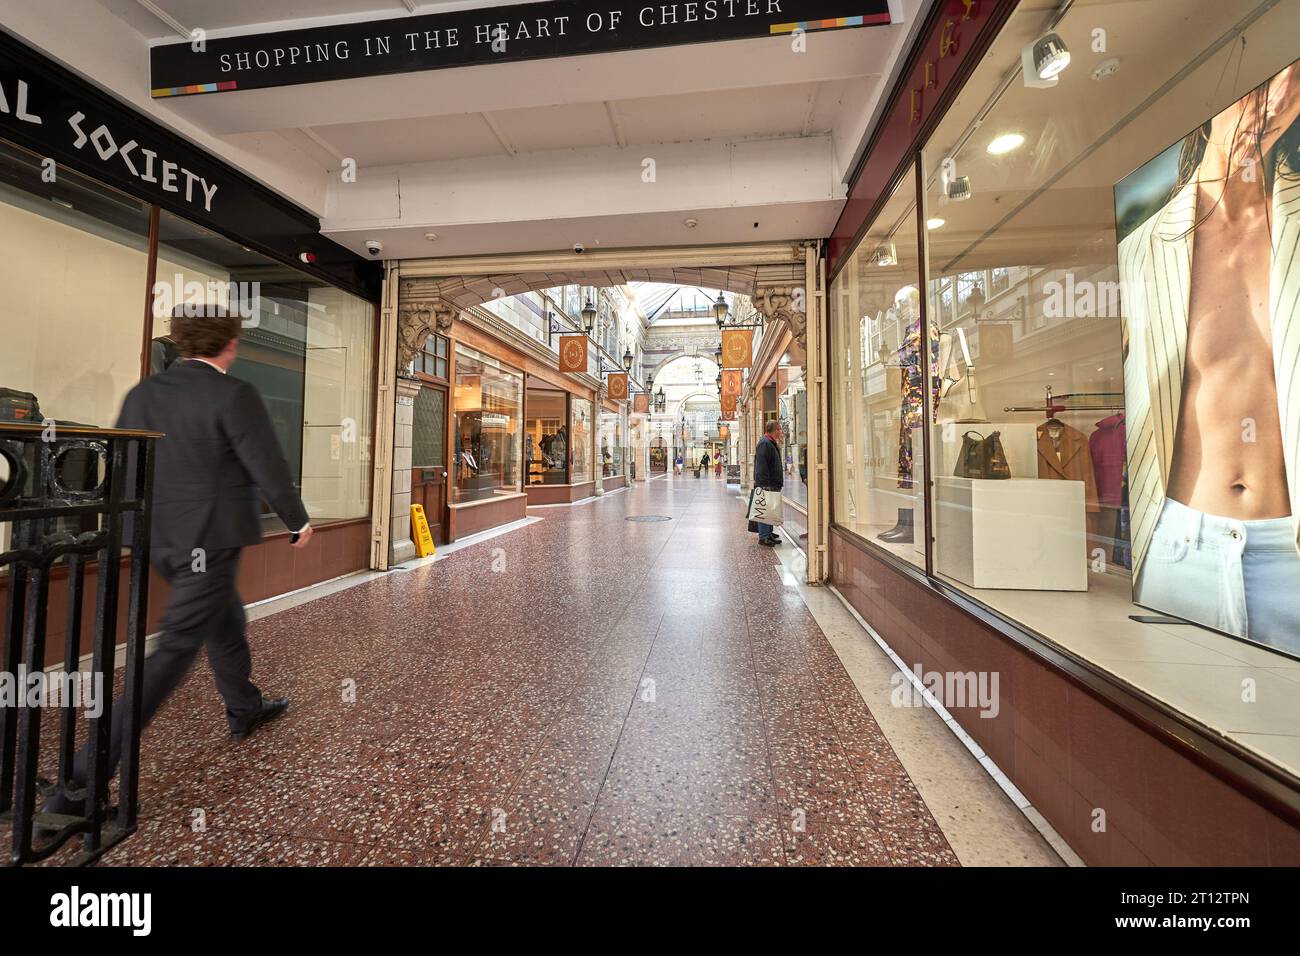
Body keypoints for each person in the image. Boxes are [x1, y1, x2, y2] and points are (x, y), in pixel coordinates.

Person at [42, 308, 311, 822]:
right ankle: (79, 787)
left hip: (156, 539)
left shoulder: (143, 394)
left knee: (224, 614)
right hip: (208, 539)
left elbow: (121, 463)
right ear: (230, 344)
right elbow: (266, 461)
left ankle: (244, 707)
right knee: (172, 651)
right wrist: (295, 519)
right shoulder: (235, 394)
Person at [1118, 62, 1300, 650]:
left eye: (1289, 79)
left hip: (1288, 549)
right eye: (1257, 79)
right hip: (1180, 545)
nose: (1270, 100)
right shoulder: (1142, 252)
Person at [752, 420, 783, 547]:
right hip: (767, 484)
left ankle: (769, 533)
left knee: (770, 510)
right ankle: (764, 536)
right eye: (780, 429)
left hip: (772, 483)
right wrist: (765, 485)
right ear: (775, 430)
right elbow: (762, 466)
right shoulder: (765, 443)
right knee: (765, 510)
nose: (781, 432)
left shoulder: (770, 442)